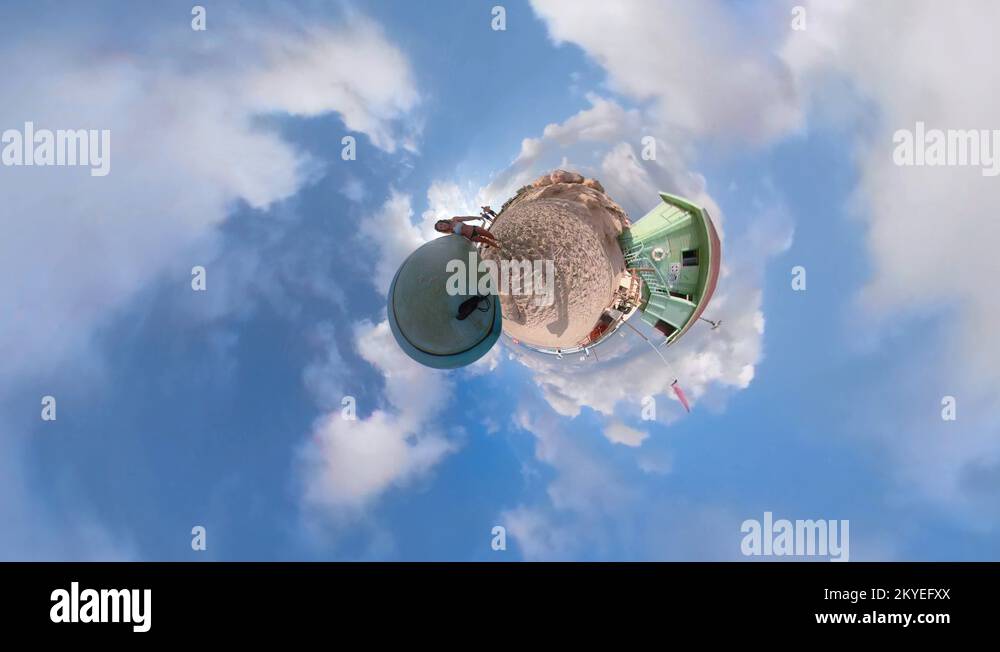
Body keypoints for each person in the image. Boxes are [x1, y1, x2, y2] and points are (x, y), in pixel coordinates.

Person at [435, 216, 501, 249]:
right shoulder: (452, 234)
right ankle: (498, 247)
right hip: (472, 237)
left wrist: (476, 217)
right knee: (486, 241)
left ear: (443, 221)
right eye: (441, 228)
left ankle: (496, 239)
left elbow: (466, 218)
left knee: (489, 235)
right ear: (442, 230)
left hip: (474, 228)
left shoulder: (454, 219)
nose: (442, 226)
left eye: (441, 224)